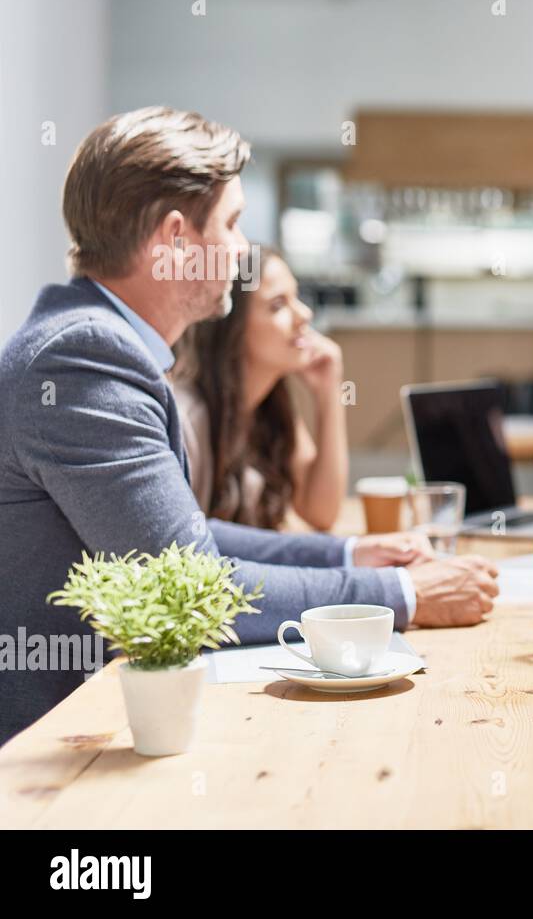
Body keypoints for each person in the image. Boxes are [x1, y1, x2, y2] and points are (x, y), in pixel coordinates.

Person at [0, 107, 498, 746]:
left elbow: (180, 537)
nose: (241, 252)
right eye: (232, 224)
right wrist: (401, 592)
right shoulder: (83, 362)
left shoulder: (94, 345)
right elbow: (189, 583)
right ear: (176, 240)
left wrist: (346, 552)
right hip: (55, 755)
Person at [172, 246, 347, 531]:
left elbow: (321, 512)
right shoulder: (188, 419)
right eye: (278, 305)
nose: (304, 314)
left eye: (297, 297)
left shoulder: (269, 406)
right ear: (233, 327)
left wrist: (329, 395)